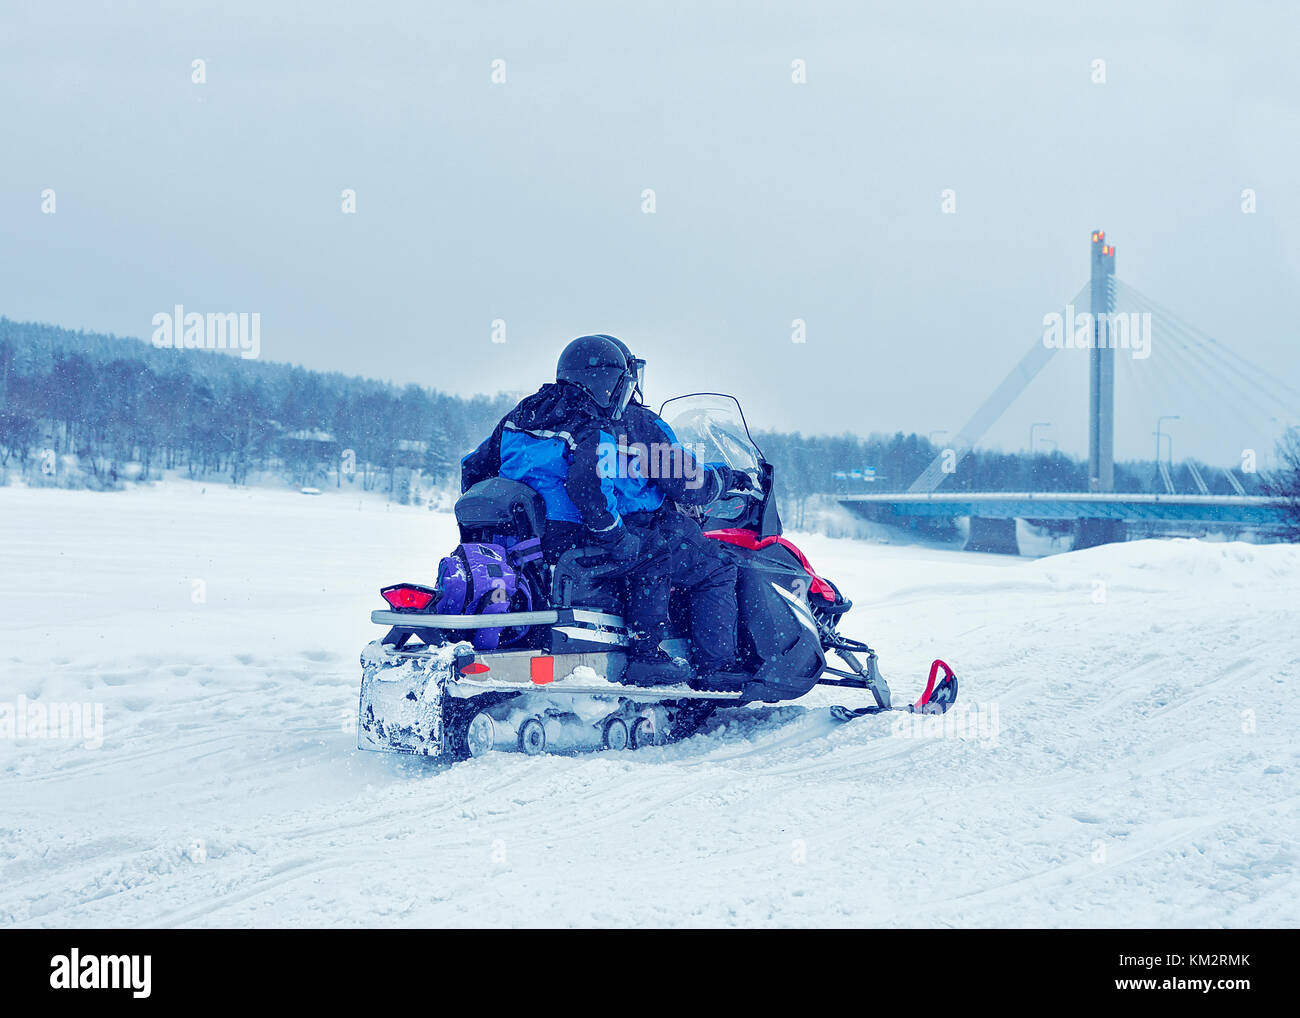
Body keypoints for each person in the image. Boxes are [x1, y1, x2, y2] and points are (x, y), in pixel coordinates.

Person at [461, 335, 699, 685]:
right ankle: (646, 655)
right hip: (566, 537)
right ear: (608, 382)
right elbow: (588, 488)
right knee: (653, 553)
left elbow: (474, 468)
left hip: (522, 541)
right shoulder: (592, 423)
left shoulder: (521, 414)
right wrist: (617, 537)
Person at [592, 336, 753, 688]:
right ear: (621, 380)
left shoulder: (546, 418)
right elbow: (687, 482)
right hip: (628, 529)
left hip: (578, 532)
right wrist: (724, 479)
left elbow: (475, 467)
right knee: (718, 567)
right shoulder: (635, 423)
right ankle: (717, 667)